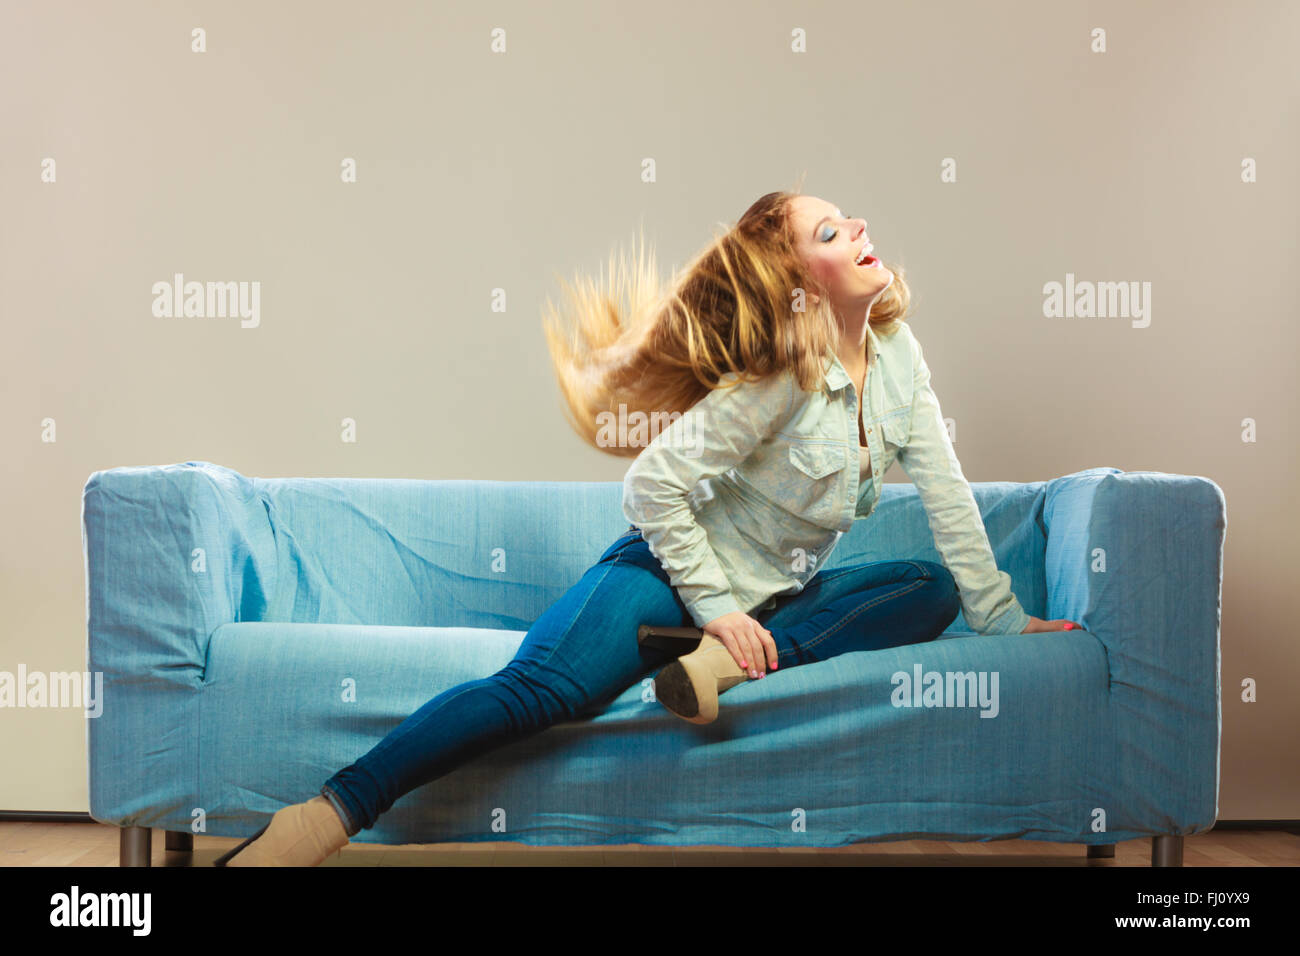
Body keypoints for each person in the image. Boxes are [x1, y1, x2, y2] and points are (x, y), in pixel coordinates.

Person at [214, 184, 1079, 867]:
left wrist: (1004, 620)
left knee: (925, 587)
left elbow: (947, 495)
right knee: (536, 694)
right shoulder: (779, 379)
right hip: (665, 576)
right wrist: (717, 609)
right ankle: (321, 818)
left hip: (770, 606)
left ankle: (715, 667)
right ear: (797, 284)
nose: (856, 227)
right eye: (828, 232)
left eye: (845, 218)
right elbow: (652, 485)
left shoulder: (899, 359)